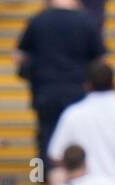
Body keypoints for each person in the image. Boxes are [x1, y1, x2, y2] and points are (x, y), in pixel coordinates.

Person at [15, 0, 105, 158]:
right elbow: (101, 60)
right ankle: (75, 172)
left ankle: (40, 175)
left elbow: (19, 55)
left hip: (45, 90)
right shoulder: (86, 21)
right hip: (77, 91)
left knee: (45, 135)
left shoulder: (38, 20)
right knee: (77, 136)